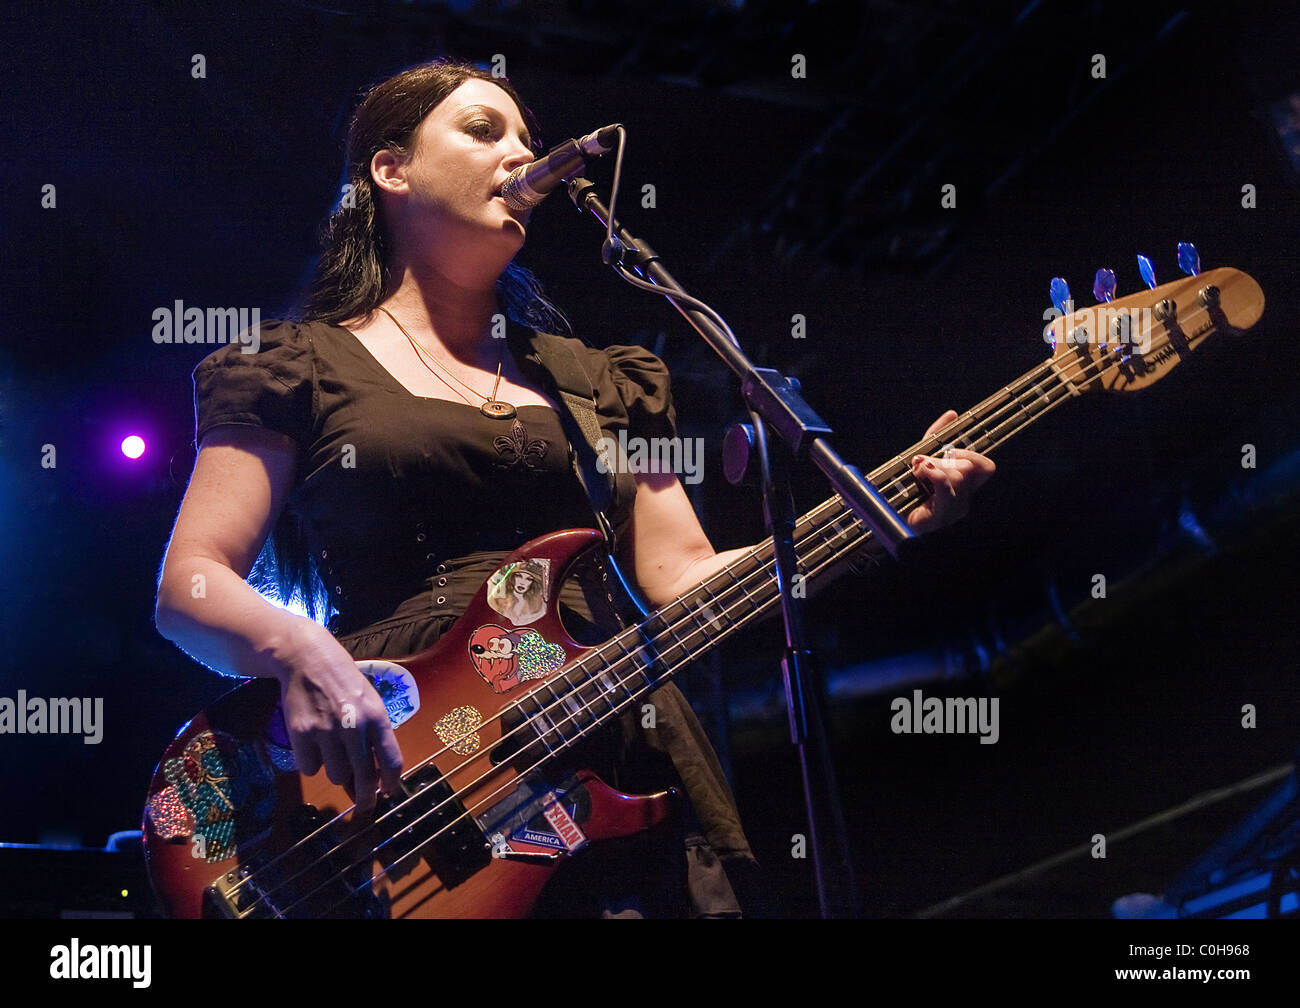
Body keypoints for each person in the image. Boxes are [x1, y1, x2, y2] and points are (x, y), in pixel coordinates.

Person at [153, 58, 995, 917]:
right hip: (404, 786)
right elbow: (190, 583)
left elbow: (679, 582)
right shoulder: (292, 366)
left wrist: (873, 515)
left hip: (613, 764)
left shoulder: (596, 383)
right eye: (485, 131)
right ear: (391, 168)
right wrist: (300, 651)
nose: (523, 157)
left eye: (530, 139)